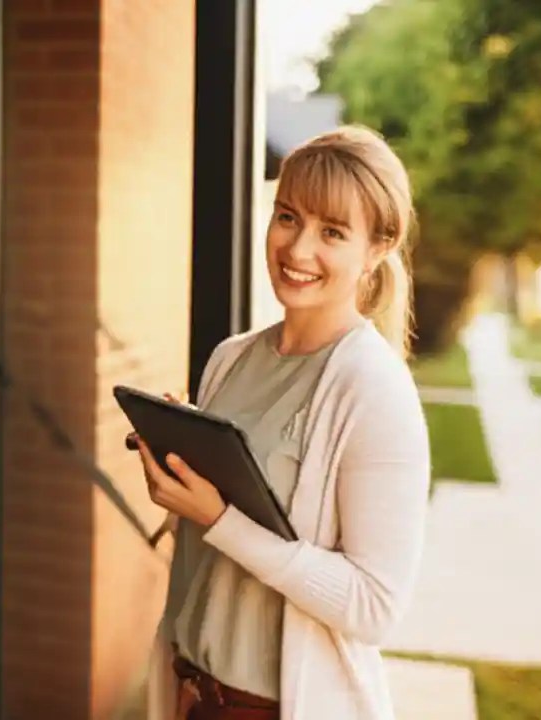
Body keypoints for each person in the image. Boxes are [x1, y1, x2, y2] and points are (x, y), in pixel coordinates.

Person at [138, 125, 430, 720]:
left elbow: (374, 606)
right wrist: (179, 467)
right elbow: (208, 561)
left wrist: (219, 518)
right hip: (192, 695)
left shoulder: (373, 389)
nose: (297, 251)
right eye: (288, 217)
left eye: (332, 232)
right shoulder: (231, 358)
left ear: (377, 247)